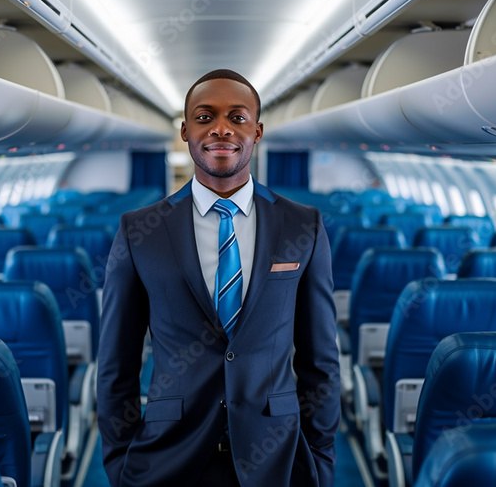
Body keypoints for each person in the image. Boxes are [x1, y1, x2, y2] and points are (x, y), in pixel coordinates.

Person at [97, 69, 340, 487]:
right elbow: (116, 365)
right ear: (185, 130)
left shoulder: (304, 226)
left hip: (279, 458)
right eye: (205, 117)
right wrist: (121, 462)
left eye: (237, 117)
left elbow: (320, 361)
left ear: (258, 131)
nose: (221, 129)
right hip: (167, 457)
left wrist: (319, 458)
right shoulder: (140, 230)